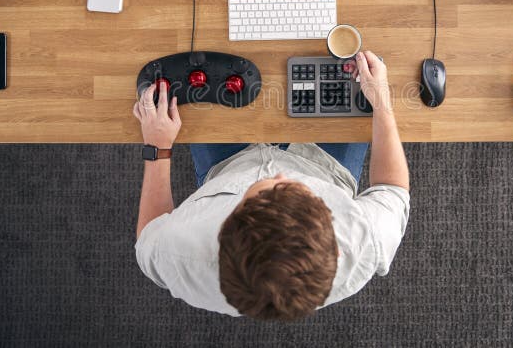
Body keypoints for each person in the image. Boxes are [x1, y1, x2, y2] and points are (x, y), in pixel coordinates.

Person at [133, 50, 410, 320]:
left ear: (223, 227)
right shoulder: (364, 242)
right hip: (326, 165)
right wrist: (381, 103)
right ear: (337, 248)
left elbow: (150, 229)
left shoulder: (180, 258)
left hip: (229, 166)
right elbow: (392, 188)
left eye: (263, 188)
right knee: (354, 62)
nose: (278, 175)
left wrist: (158, 146)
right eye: (295, 188)